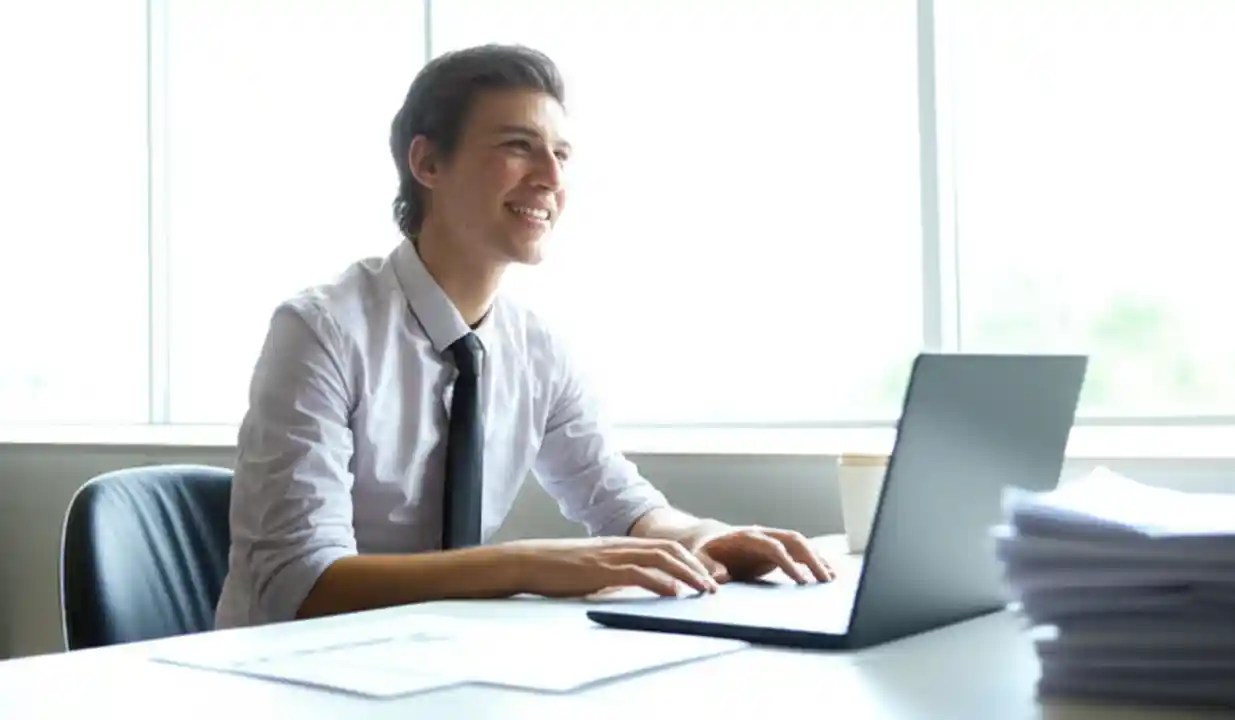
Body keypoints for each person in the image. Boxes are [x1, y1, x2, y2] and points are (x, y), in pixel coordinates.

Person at [214, 43, 833, 630]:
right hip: (293, 675)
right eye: (519, 146)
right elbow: (302, 584)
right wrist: (531, 565)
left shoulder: (536, 350)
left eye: (561, 155)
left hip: (437, 669)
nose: (550, 177)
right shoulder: (321, 330)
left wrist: (702, 536)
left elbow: (621, 503)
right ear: (427, 163)